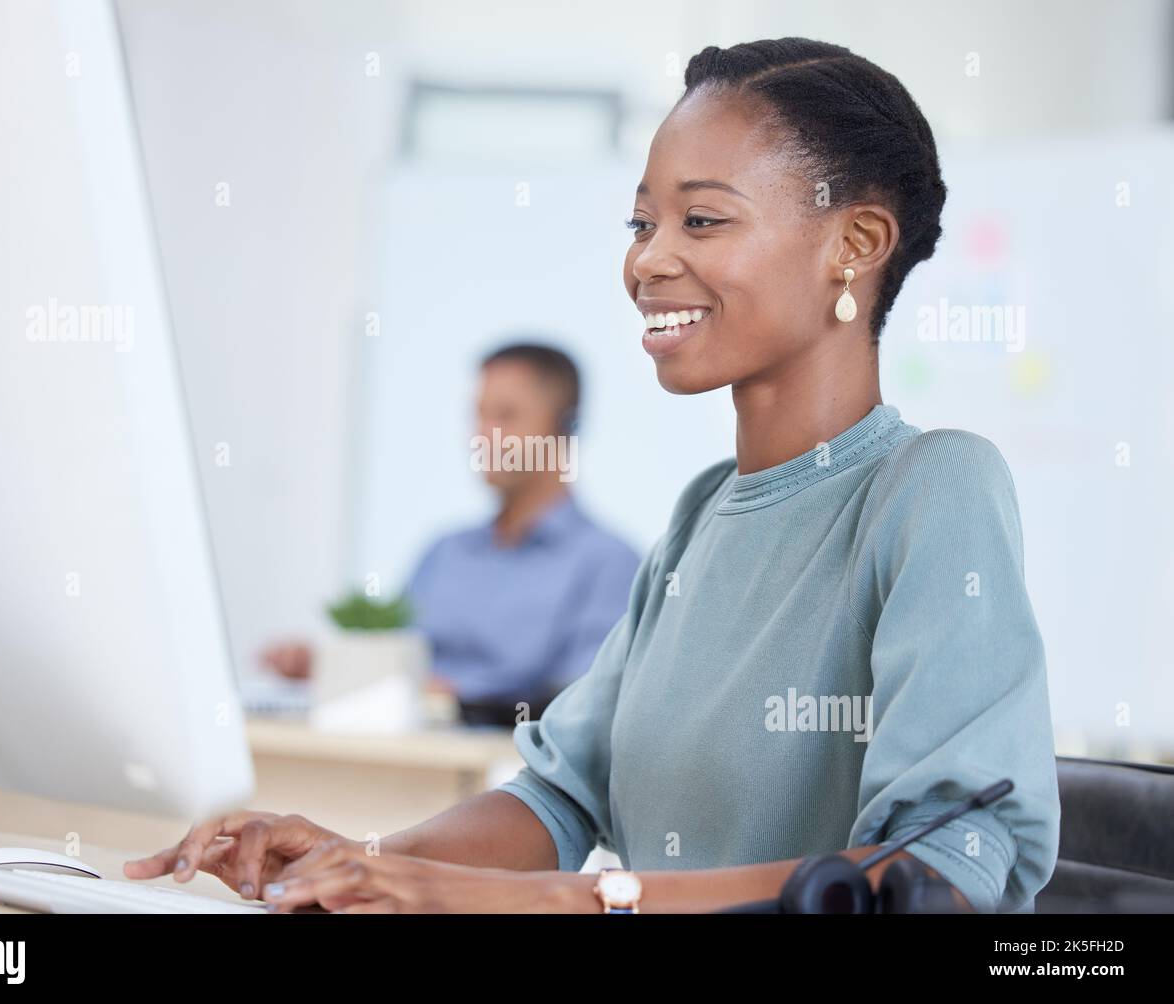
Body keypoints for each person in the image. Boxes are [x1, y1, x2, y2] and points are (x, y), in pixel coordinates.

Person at [128, 38, 1060, 913]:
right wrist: (363, 865)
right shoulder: (702, 516)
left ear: (854, 243)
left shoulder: (934, 488)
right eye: (643, 222)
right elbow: (560, 796)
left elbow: (937, 871)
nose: (648, 261)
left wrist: (555, 902)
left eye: (701, 219)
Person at [262, 342, 641, 726]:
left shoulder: (607, 562)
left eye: (506, 416)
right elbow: (394, 662)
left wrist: (459, 702)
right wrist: (332, 666)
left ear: (564, 428)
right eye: (478, 415)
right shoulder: (444, 552)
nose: (482, 436)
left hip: (499, 769)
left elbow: (583, 705)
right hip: (401, 758)